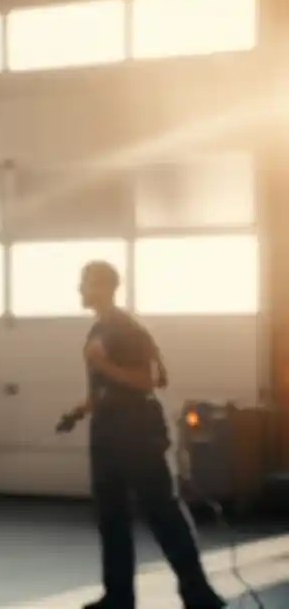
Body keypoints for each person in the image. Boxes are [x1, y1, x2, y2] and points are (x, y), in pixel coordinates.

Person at [57, 260, 225, 609]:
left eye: (85, 283)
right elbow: (102, 389)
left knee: (163, 513)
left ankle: (199, 595)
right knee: (111, 518)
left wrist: (103, 364)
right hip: (106, 433)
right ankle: (118, 596)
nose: (79, 290)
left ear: (103, 287)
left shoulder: (125, 329)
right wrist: (76, 413)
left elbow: (148, 380)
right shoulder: (98, 330)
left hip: (137, 433)